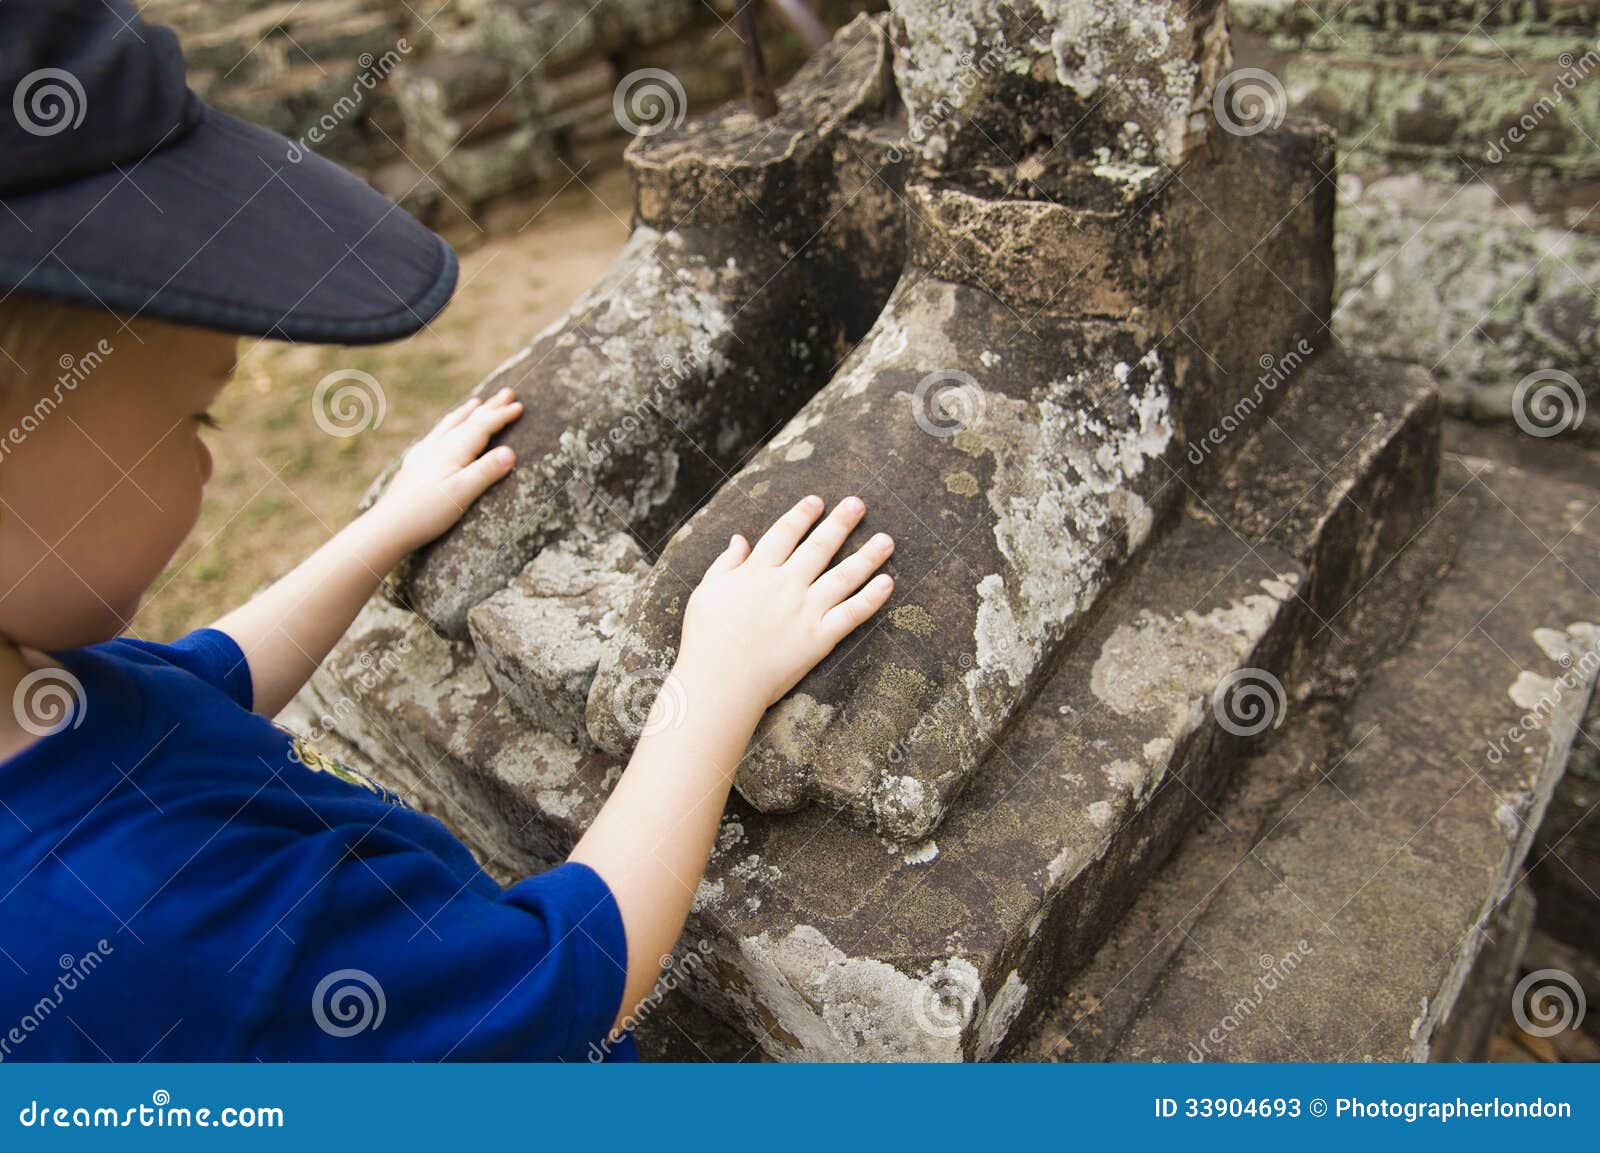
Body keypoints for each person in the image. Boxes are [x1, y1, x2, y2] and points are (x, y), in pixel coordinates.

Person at [0, 1, 893, 1061]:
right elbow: (557, 982)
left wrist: (377, 536)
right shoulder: (154, 915)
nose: (209, 456)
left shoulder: (34, 695)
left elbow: (190, 686)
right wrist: (713, 685)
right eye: (191, 418)